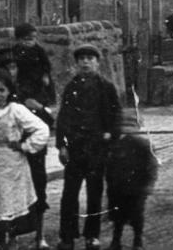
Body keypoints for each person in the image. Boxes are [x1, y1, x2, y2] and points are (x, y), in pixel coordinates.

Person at [0, 70, 49, 250]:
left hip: (14, 163)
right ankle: (2, 240)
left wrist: (25, 146)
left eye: (2, 90)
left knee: (13, 203)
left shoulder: (17, 109)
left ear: (8, 91)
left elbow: (42, 129)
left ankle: (13, 240)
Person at [55, 44, 121, 250]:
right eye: (81, 58)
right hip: (75, 149)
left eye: (89, 59)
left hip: (97, 148)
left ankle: (92, 236)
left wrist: (111, 134)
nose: (85, 62)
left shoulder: (106, 87)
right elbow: (63, 119)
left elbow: (116, 115)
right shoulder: (71, 87)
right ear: (76, 63)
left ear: (97, 62)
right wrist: (62, 146)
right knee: (69, 194)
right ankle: (67, 236)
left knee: (94, 193)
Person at [105, 111, 157, 250]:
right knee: (117, 217)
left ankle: (137, 241)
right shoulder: (114, 144)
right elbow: (109, 166)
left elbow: (152, 166)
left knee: (137, 215)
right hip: (118, 187)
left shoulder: (144, 145)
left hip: (137, 188)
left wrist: (149, 185)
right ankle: (116, 241)